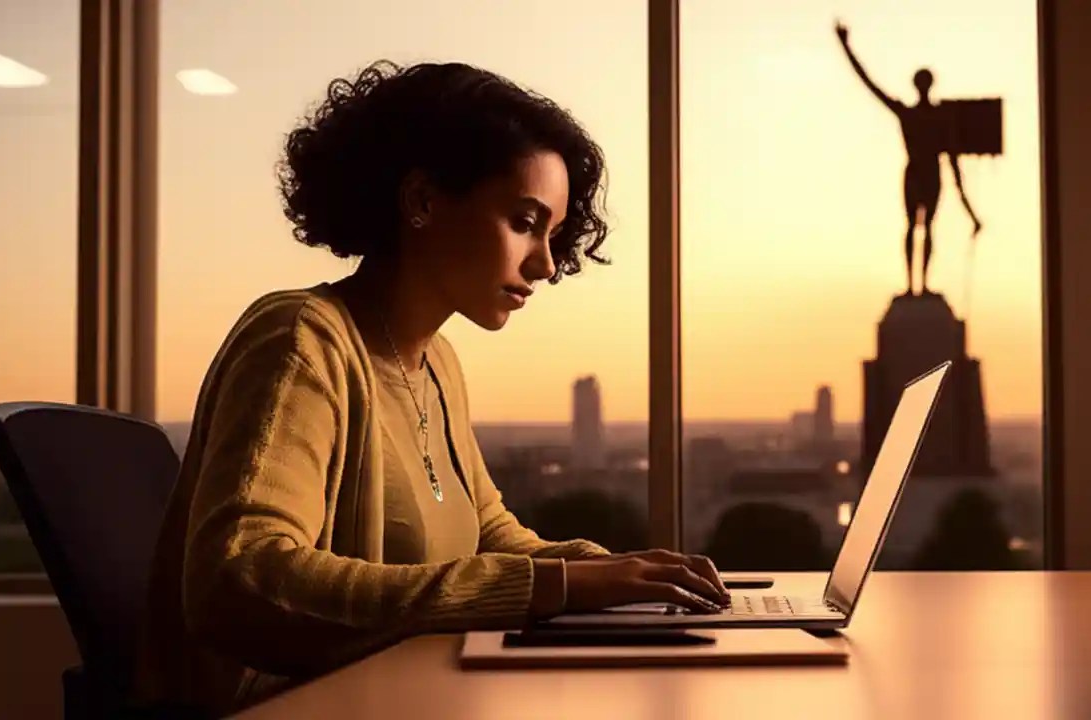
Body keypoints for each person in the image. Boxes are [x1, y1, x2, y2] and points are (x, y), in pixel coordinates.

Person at [133, 59, 730, 717]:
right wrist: (554, 586)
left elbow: (491, 535)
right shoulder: (301, 342)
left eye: (554, 234)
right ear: (421, 201)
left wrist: (620, 575)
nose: (546, 263)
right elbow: (238, 580)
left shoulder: (436, 362)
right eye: (525, 222)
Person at [835, 22, 983, 296]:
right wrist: (846, 47)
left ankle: (920, 285)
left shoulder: (936, 118)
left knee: (923, 228)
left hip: (926, 174)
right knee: (915, 227)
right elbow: (869, 83)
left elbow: (953, 163)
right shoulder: (914, 115)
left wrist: (970, 212)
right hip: (917, 174)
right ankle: (914, 285)